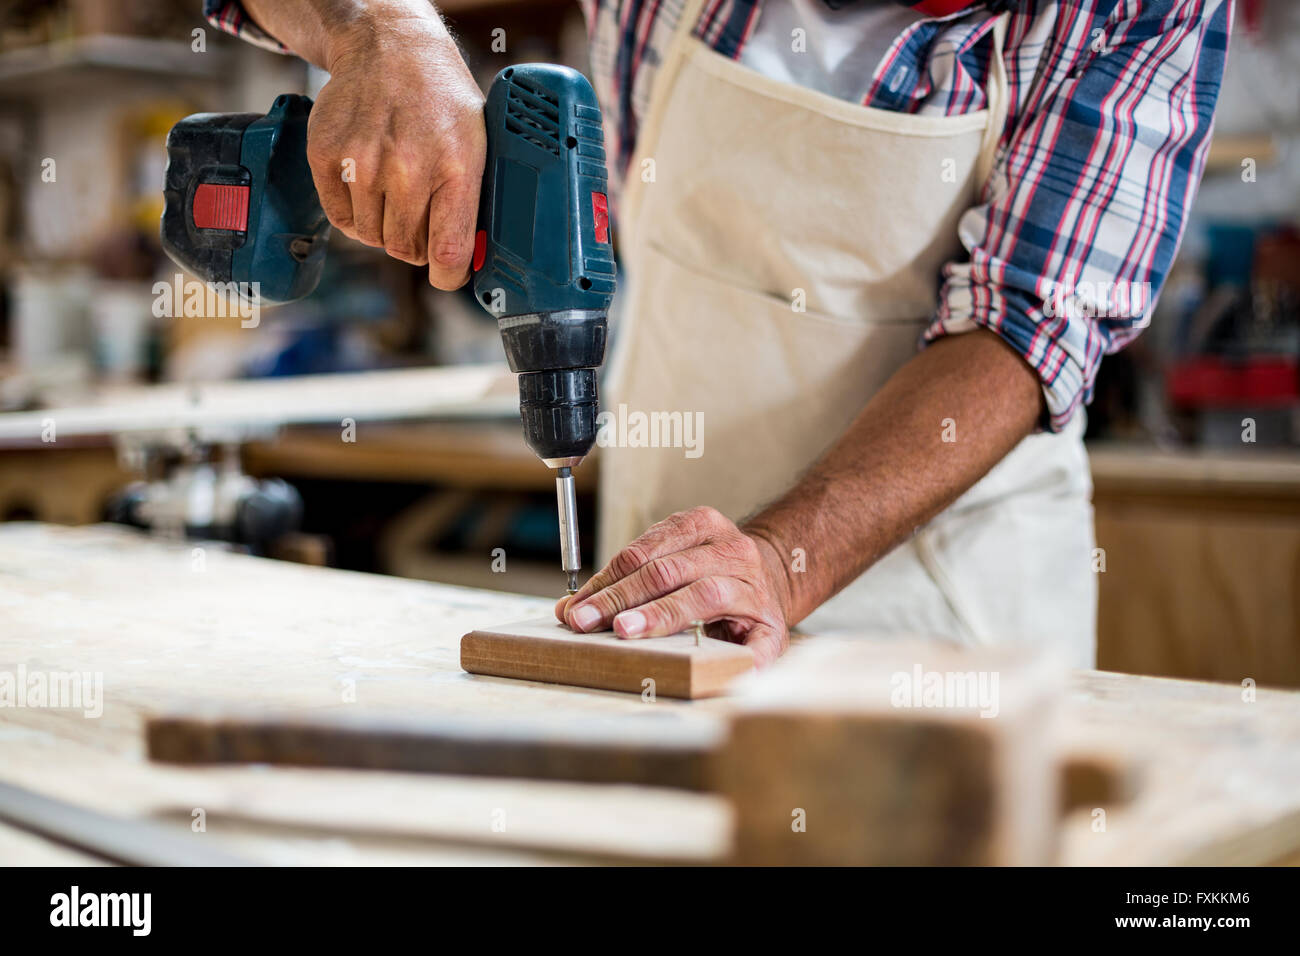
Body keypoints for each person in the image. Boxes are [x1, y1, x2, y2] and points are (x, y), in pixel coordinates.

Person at [205, 0, 1231, 667]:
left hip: (952, 611)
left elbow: (1025, 324)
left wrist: (780, 559)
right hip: (667, 581)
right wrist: (378, 30)